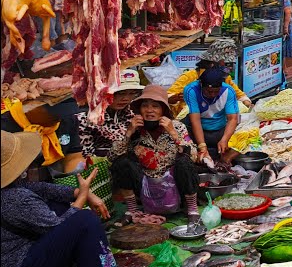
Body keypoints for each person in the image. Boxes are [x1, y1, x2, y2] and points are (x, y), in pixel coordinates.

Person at [1, 131, 113, 267]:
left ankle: (86, 262)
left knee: (58, 204)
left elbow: (43, 189)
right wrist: (83, 195)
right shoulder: (15, 198)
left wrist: (81, 193)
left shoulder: (12, 189)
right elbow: (60, 227)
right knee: (85, 220)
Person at [112, 84, 202, 222]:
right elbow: (112, 157)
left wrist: (173, 133)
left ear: (163, 110)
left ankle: (192, 210)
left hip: (173, 181)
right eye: (145, 106)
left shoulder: (177, 126)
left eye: (155, 106)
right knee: (121, 163)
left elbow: (194, 156)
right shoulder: (133, 127)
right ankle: (132, 211)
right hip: (145, 182)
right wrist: (129, 133)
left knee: (184, 163)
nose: (149, 110)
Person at [72, 69, 145, 171]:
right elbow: (87, 159)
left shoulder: (134, 114)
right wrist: (128, 134)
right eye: (120, 93)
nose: (126, 98)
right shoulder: (86, 118)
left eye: (131, 93)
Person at [168, 40, 250, 109]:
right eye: (226, 65)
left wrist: (245, 103)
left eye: (231, 64)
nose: (229, 69)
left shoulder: (225, 78)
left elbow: (240, 96)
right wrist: (176, 98)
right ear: (211, 64)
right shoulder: (189, 76)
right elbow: (167, 98)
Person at [183, 66, 241, 164]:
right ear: (201, 85)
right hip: (198, 128)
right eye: (209, 91)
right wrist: (202, 146)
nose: (213, 94)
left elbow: (232, 119)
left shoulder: (228, 91)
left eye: (216, 91)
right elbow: (195, 120)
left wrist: (224, 139)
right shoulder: (191, 90)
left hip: (219, 129)